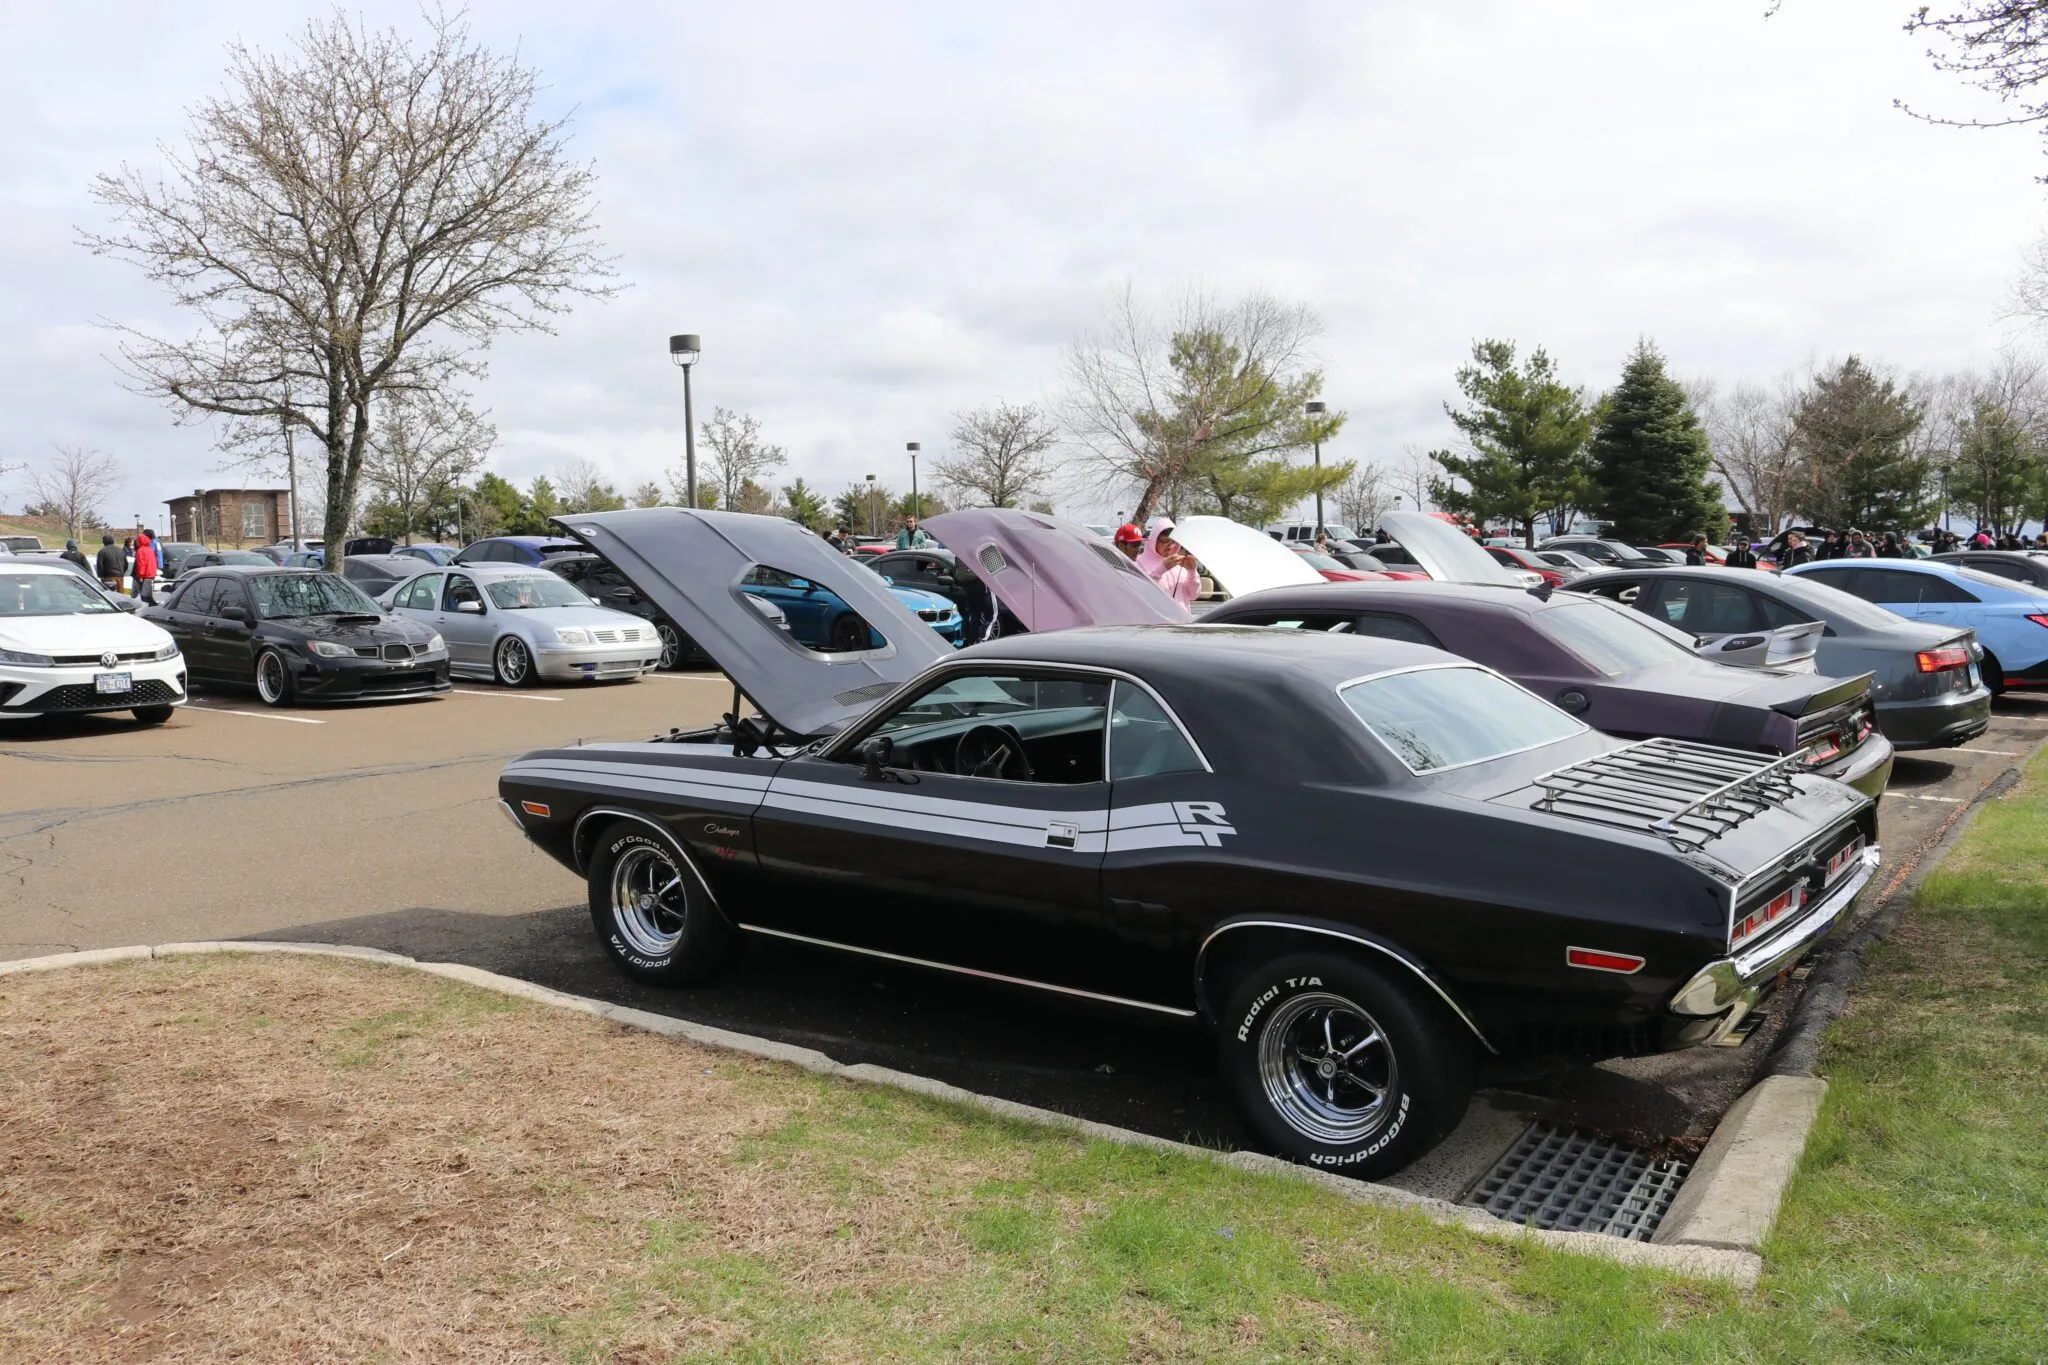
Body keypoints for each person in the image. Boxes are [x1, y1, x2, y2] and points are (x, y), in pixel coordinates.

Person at [1135, 517, 1200, 608]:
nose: (1170, 546)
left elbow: (1194, 595)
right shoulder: (1139, 562)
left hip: (1183, 620)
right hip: (1158, 621)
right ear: (1154, 540)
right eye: (1165, 541)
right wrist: (1161, 569)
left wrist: (1192, 571)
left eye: (1173, 541)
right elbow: (1141, 593)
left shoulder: (1179, 562)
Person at [133, 529, 160, 604]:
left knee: (143, 595)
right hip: (151, 574)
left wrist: (140, 576)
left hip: (145, 575)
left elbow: (141, 564)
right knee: (149, 592)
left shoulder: (140, 550)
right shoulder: (150, 550)